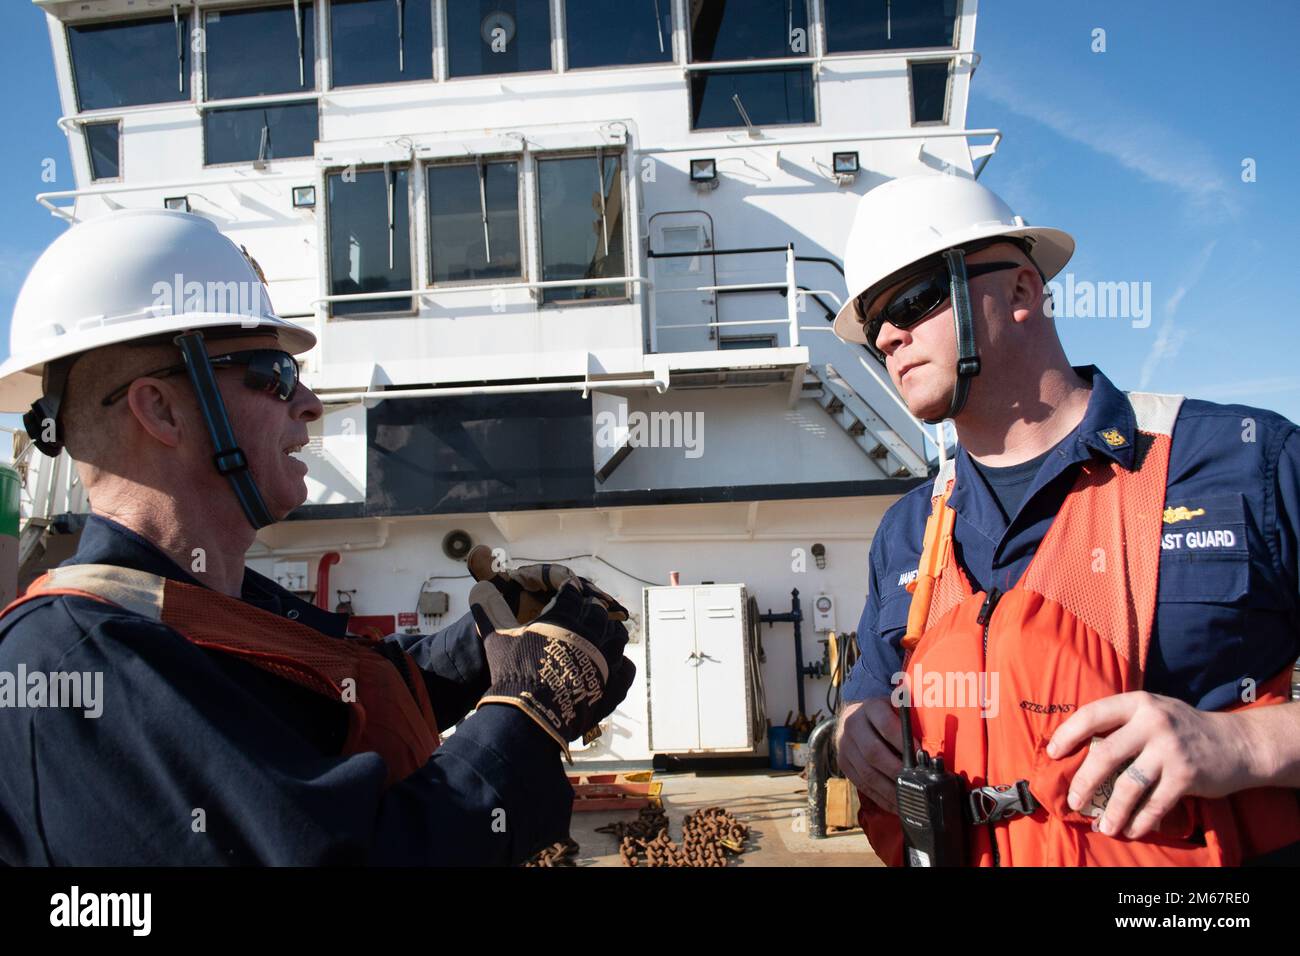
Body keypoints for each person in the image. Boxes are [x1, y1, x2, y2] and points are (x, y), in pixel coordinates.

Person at [0, 209, 635, 865]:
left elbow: (343, 696)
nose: (308, 403)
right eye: (273, 373)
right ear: (160, 409)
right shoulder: (69, 669)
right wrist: (526, 720)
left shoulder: (201, 606)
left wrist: (485, 641)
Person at [830, 174, 1300, 866]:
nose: (891, 336)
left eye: (914, 298)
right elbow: (865, 700)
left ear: (1020, 290)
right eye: (874, 328)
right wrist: (848, 732)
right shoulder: (906, 533)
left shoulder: (1247, 465)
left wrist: (1247, 745)